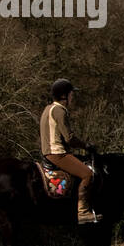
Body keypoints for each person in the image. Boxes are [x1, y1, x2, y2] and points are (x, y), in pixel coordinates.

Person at [40, 78, 100, 224]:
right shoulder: (60, 111)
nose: (73, 97)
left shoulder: (48, 108)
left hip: (48, 151)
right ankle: (83, 212)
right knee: (87, 174)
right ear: (64, 96)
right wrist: (87, 146)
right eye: (71, 94)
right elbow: (69, 138)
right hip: (57, 153)